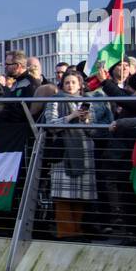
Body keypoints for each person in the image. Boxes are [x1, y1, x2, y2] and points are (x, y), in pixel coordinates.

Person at [44, 71, 98, 239]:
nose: (70, 85)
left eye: (73, 82)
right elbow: (50, 124)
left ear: (80, 84)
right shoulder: (55, 100)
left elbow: (95, 130)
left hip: (84, 152)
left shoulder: (87, 102)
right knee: (63, 196)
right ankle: (66, 233)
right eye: (67, 82)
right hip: (64, 152)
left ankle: (78, 231)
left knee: (81, 195)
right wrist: (71, 116)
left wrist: (86, 120)